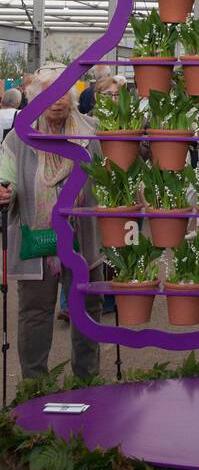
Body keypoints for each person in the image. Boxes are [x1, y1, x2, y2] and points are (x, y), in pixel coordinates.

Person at [0, 66, 104, 382]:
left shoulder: (91, 131)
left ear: (73, 97)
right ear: (34, 98)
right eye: (48, 94)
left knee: (87, 311)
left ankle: (87, 381)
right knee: (34, 315)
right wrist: (4, 189)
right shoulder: (20, 136)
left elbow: (110, 175)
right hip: (37, 240)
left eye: (63, 93)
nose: (56, 101)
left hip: (83, 239)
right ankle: (34, 385)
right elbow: (6, 175)